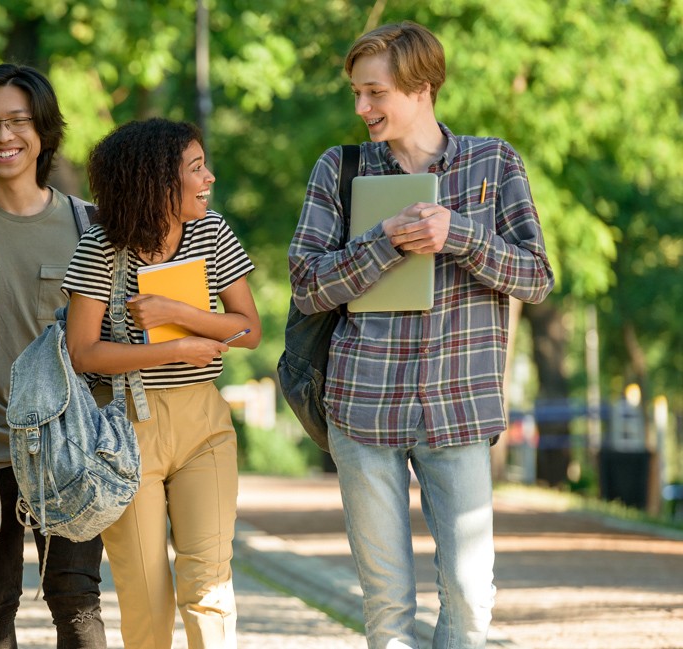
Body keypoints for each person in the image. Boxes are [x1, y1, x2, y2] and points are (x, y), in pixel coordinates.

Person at [287, 21, 552, 649]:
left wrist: (459, 235)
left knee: (469, 597)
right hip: (362, 407)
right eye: (357, 93)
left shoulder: (494, 163)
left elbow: (536, 278)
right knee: (387, 607)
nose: (362, 107)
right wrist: (384, 242)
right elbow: (307, 286)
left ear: (422, 87)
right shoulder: (340, 169)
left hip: (460, 408)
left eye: (375, 93)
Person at [63, 118, 261, 649]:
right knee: (146, 594)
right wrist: (172, 350)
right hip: (125, 429)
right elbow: (82, 352)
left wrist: (180, 314)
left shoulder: (212, 232)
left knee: (209, 584)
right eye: (196, 168)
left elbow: (249, 330)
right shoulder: (101, 247)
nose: (209, 177)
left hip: (204, 424)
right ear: (154, 181)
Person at [0, 63, 107, 648]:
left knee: (77, 602)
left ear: (44, 129)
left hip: (68, 452)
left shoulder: (89, 225)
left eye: (18, 121)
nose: (3, 136)